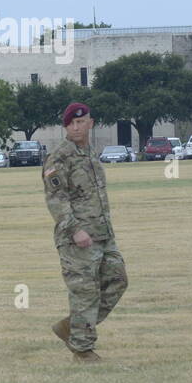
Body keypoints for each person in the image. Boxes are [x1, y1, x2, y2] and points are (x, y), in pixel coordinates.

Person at [44, 102, 128, 363]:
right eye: (71, 123)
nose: (76, 127)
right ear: (66, 126)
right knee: (85, 292)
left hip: (102, 233)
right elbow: (56, 200)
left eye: (81, 122)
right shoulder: (59, 157)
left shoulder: (90, 153)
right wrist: (75, 230)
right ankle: (82, 350)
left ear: (91, 123)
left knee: (118, 280)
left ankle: (72, 326)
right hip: (76, 238)